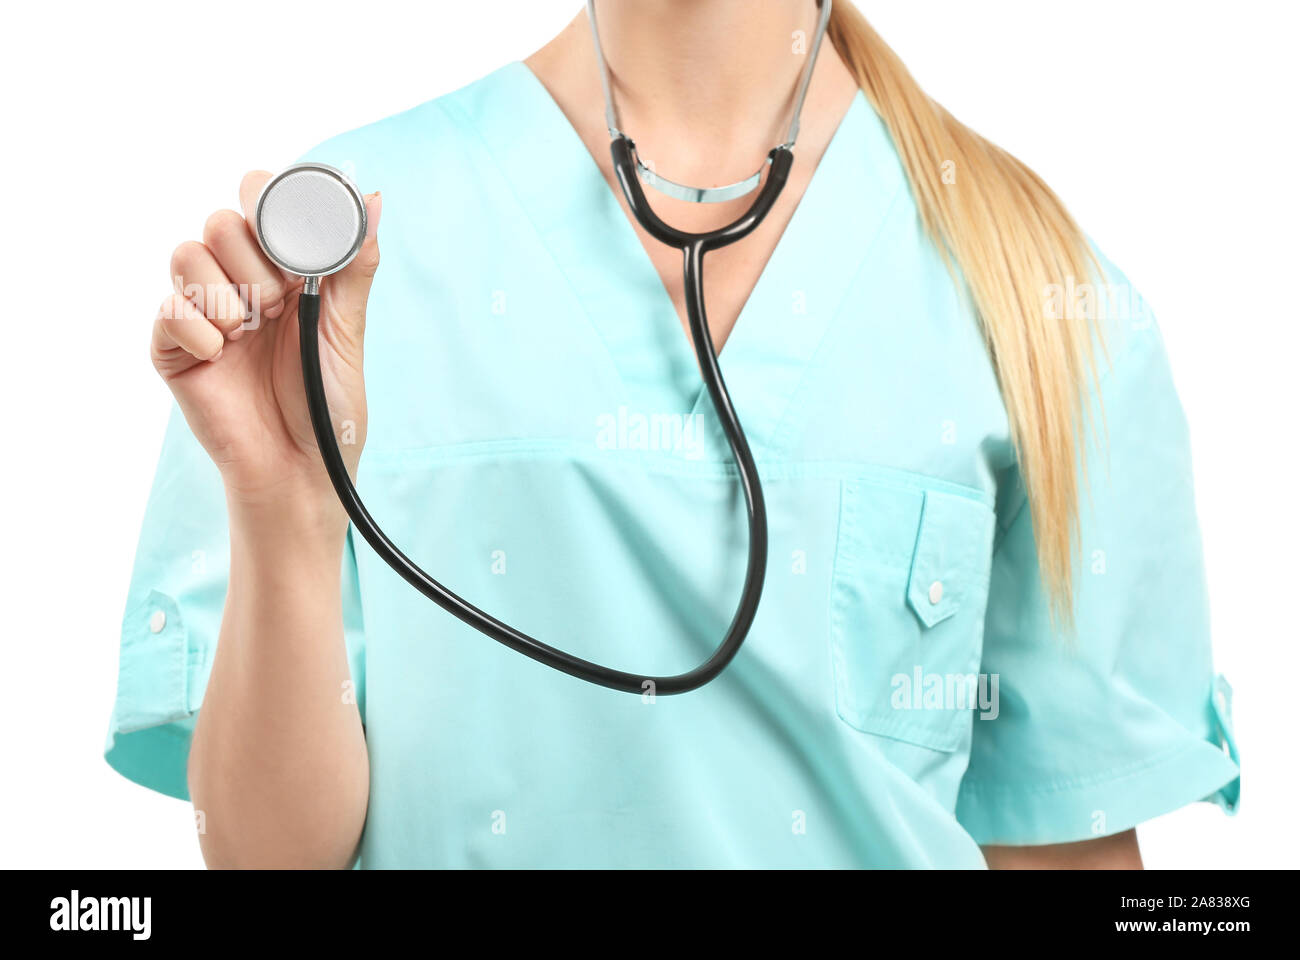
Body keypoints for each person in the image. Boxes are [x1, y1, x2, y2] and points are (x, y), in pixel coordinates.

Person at [106, 0, 1240, 868]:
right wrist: (286, 503)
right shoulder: (329, 264)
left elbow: (1068, 847)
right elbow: (263, 859)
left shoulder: (1045, 299)